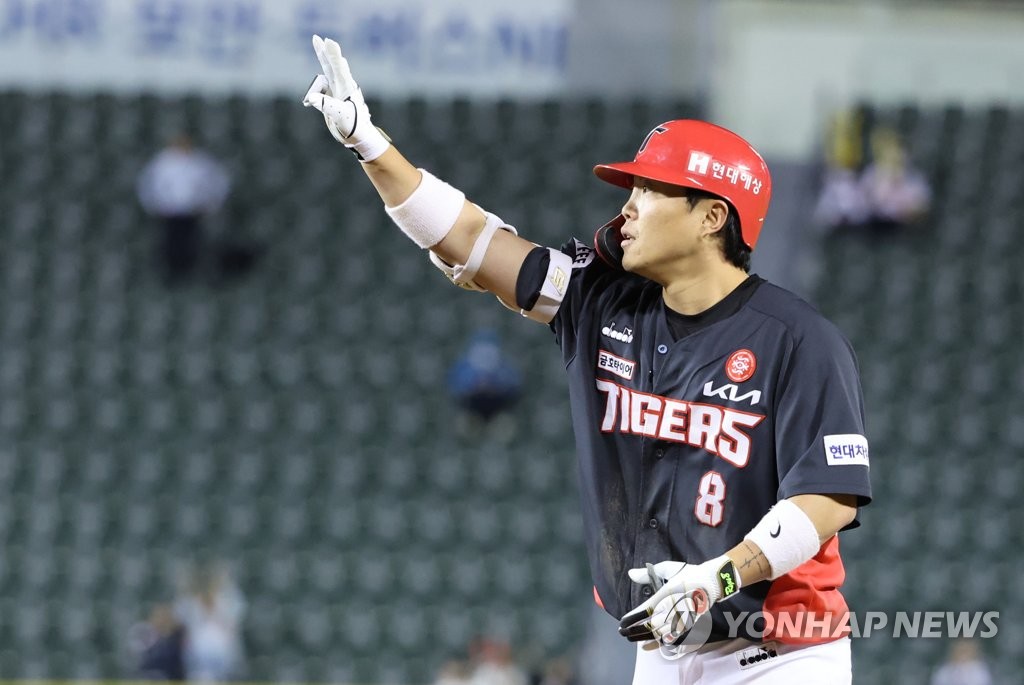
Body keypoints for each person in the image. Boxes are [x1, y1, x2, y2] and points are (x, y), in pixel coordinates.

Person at [303, 35, 872, 684]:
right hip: (659, 647)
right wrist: (371, 146)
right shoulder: (601, 302)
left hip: (782, 648)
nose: (626, 206)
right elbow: (470, 244)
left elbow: (829, 497)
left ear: (713, 215)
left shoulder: (799, 339)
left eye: (650, 191)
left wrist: (719, 576)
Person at [136, 133, 231, 284]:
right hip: (170, 212)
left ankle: (195, 274)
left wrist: (212, 204)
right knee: (171, 245)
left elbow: (219, 182)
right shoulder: (162, 161)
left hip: (194, 211)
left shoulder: (202, 161)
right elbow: (147, 185)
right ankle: (172, 276)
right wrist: (153, 206)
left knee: (195, 243)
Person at [447, 328, 523, 435]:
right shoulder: (464, 366)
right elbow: (455, 386)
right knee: (465, 426)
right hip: (472, 406)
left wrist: (495, 386)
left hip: (499, 406)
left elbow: (514, 386)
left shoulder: (504, 365)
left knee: (505, 427)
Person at [929, 639, 993, 685]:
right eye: (960, 650)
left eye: (966, 650)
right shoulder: (944, 671)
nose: (963, 654)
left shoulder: (980, 671)